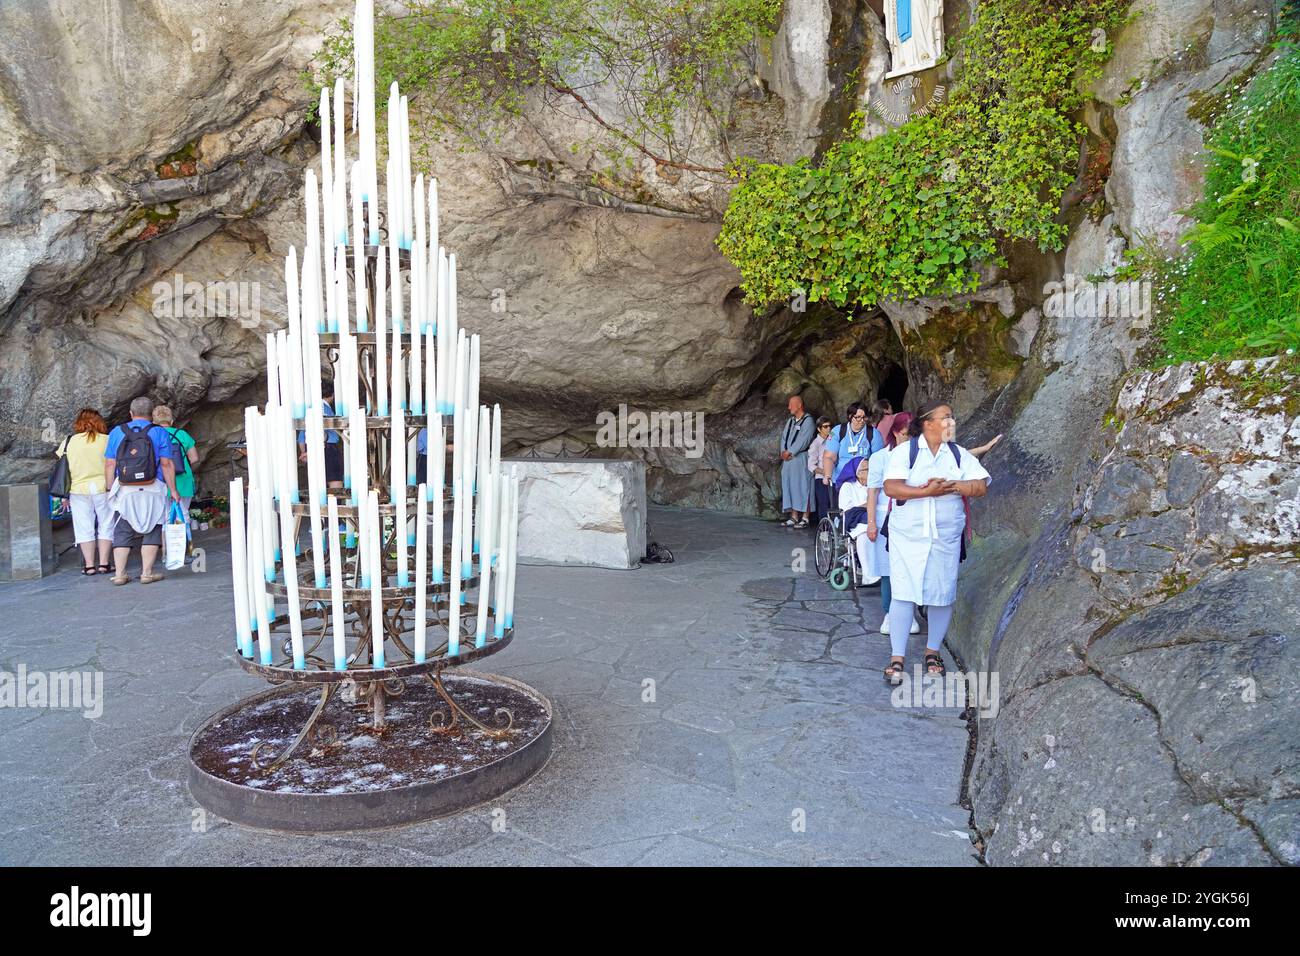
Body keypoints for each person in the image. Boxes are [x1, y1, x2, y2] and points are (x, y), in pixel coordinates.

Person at [881, 400, 991, 684]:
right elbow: (891, 487)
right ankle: (897, 657)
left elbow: (979, 486)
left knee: (942, 593)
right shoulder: (905, 452)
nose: (951, 422)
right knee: (903, 592)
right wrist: (928, 492)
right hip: (908, 536)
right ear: (928, 423)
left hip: (945, 536)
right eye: (946, 418)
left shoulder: (957, 455)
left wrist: (952, 486)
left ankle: (932, 652)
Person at [104, 396, 182, 585]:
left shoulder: (117, 432)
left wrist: (109, 488)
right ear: (151, 414)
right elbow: (166, 463)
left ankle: (120, 574)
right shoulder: (159, 432)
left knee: (123, 529)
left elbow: (109, 463)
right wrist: (173, 490)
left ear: (131, 414)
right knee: (153, 528)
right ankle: (147, 573)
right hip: (153, 487)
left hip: (125, 489)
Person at [864, 412, 919, 635]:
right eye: (906, 435)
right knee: (888, 568)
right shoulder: (879, 458)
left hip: (911, 514)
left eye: (913, 435)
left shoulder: (919, 455)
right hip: (883, 514)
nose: (910, 439)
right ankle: (889, 613)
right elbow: (873, 492)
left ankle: (910, 612)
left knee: (910, 565)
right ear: (896, 432)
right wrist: (871, 523)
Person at [56, 409, 113, 575]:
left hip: (78, 489)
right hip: (104, 487)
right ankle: (104, 564)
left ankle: (89, 566)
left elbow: (63, 467)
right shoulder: (107, 440)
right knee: (106, 523)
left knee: (83, 526)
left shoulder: (69, 441)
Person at [821, 401, 882, 492]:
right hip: (840, 480)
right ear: (850, 417)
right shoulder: (837, 431)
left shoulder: (874, 434)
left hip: (863, 482)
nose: (861, 421)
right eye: (858, 417)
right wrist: (827, 475)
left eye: (864, 417)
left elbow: (878, 460)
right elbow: (829, 457)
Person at [152, 405, 199, 520]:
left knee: (163, 517)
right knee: (183, 514)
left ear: (153, 422)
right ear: (171, 421)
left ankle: (166, 538)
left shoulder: (152, 435)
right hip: (183, 478)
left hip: (160, 478)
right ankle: (182, 537)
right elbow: (194, 458)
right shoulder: (182, 434)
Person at [298, 381, 344, 489]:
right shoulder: (326, 409)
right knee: (335, 483)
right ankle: (334, 505)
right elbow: (333, 436)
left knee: (318, 484)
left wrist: (304, 452)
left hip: (312, 450)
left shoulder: (309, 409)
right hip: (329, 449)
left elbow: (301, 435)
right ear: (332, 395)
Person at [779, 395, 816, 528]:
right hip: (788, 460)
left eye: (791, 404)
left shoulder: (808, 421)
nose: (789, 407)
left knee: (803, 486)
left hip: (801, 458)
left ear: (799, 405)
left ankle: (805, 517)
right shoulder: (790, 421)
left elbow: (804, 439)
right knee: (790, 486)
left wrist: (791, 452)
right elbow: (784, 437)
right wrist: (783, 451)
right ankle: (794, 516)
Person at [807, 417, 833, 524]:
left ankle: (833, 529)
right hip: (821, 478)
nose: (828, 429)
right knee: (823, 504)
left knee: (833, 503)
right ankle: (824, 530)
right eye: (825, 427)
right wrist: (824, 472)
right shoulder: (816, 444)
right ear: (819, 429)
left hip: (833, 476)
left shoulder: (832, 438)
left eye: (829, 426)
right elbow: (811, 465)